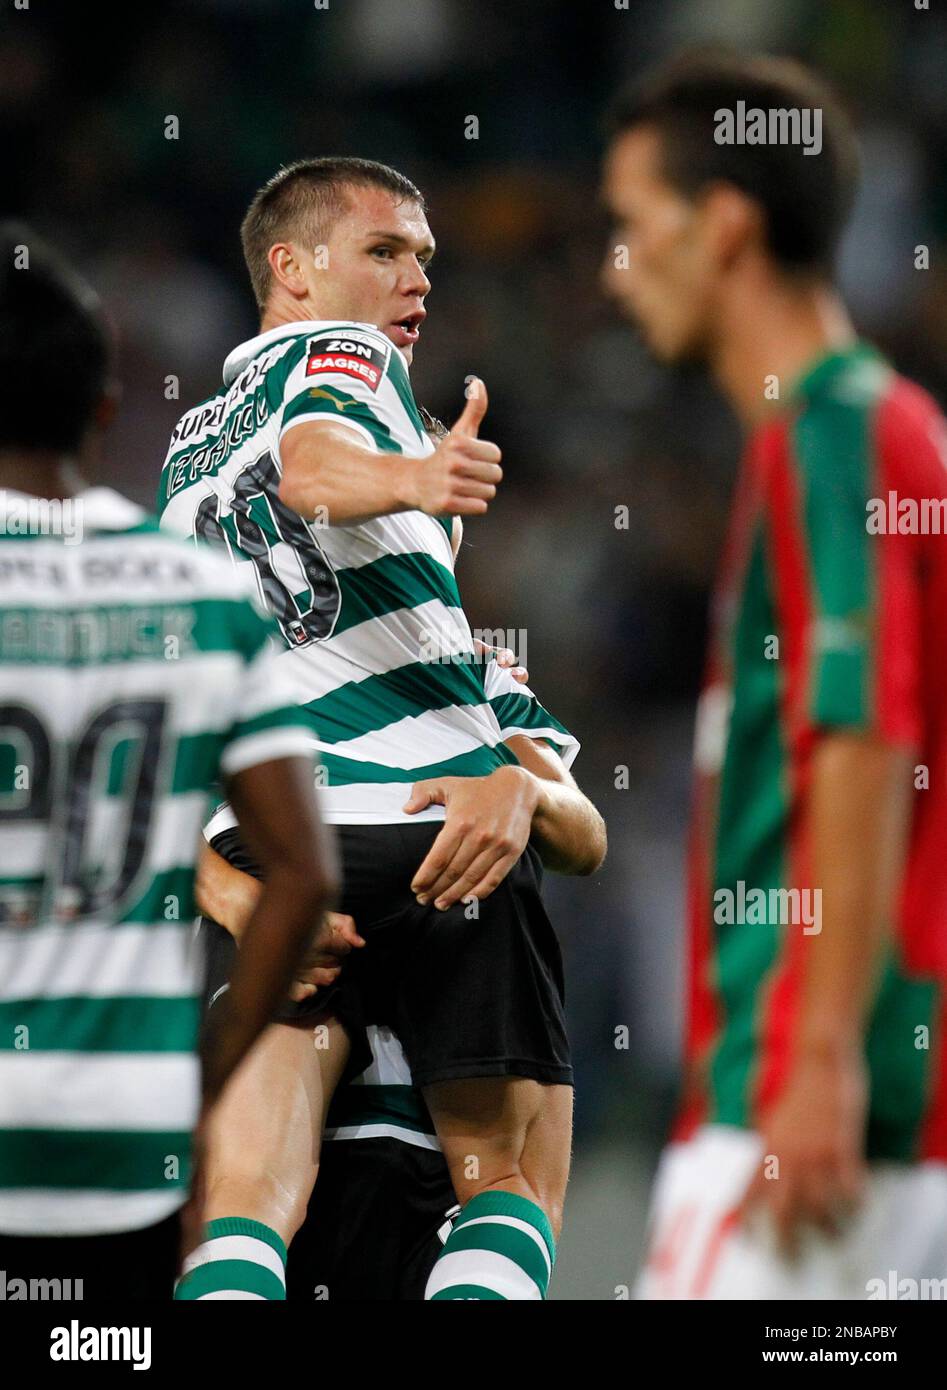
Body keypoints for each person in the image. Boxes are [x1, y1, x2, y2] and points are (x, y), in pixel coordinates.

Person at [158, 157, 606, 1301]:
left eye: (422, 259)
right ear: (290, 270)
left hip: (280, 848)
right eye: (382, 251)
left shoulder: (184, 465)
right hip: (429, 834)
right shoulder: (338, 357)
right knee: (511, 1182)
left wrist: (226, 889)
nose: (414, 277)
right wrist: (415, 473)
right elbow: (313, 461)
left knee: (244, 1205)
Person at [602, 49, 947, 1300]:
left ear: (725, 222)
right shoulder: (887, 427)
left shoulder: (831, 432)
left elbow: (861, 739)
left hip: (793, 1112)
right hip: (891, 1106)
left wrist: (817, 1062)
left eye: (635, 227)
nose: (613, 267)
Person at [0, 224, 342, 1299]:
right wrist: (203, 1084)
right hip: (127, 1143)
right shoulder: (203, 597)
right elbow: (303, 875)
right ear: (106, 406)